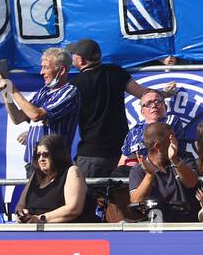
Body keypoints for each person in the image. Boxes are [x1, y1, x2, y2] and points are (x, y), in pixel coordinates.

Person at [65, 37, 162, 222]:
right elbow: (142, 92)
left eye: (74, 55)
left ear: (82, 60)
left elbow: (59, 113)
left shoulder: (75, 84)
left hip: (91, 154)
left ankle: (89, 242)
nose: (72, 59)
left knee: (86, 203)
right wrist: (163, 94)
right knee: (122, 204)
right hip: (119, 154)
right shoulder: (116, 72)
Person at [0, 48, 81, 170]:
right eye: (41, 67)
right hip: (33, 164)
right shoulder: (43, 91)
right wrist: (6, 92)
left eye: (46, 67)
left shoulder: (69, 92)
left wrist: (12, 88)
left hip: (54, 165)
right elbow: (18, 118)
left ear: (62, 70)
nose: (41, 73)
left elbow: (36, 115)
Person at [128, 121, 199, 223]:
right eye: (171, 138)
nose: (175, 141)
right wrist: (150, 174)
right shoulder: (138, 170)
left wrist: (175, 160)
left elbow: (191, 182)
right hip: (156, 228)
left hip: (187, 224)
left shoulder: (184, 158)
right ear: (158, 146)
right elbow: (136, 200)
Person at [14, 134, 94, 224]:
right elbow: (20, 205)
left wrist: (40, 219)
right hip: (35, 232)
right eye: (38, 155)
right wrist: (21, 214)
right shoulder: (35, 176)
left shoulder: (72, 172)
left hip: (65, 233)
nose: (41, 159)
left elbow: (73, 209)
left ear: (57, 155)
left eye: (45, 155)